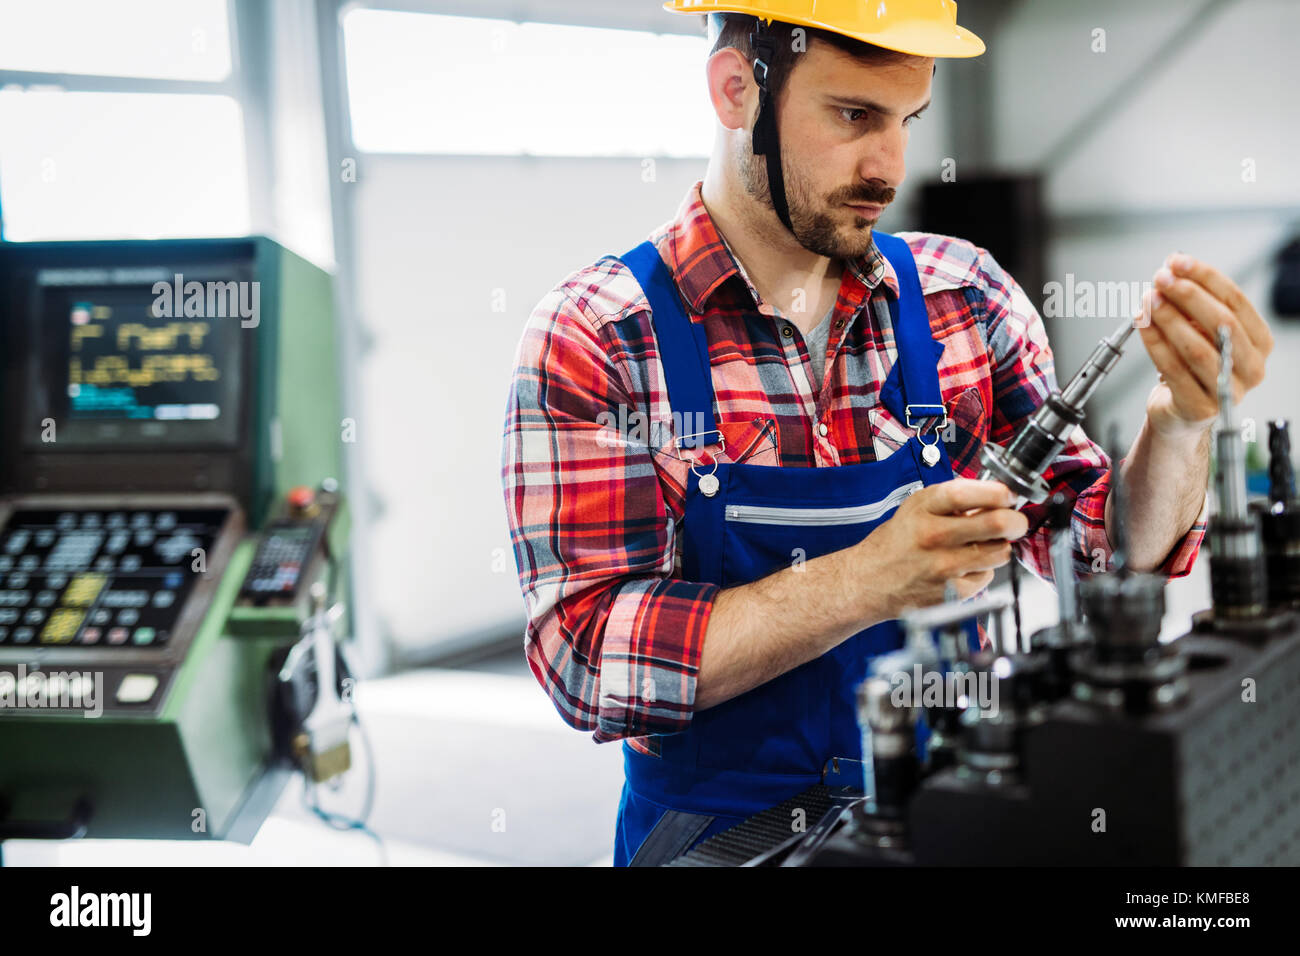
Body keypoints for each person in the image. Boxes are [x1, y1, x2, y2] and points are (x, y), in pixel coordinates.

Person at [499, 0, 1273, 866]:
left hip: (958, 806)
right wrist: (866, 580)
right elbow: (588, 662)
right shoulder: (599, 335)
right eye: (853, 115)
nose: (890, 165)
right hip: (719, 838)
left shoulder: (961, 297)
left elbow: (1100, 550)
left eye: (907, 119)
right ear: (734, 91)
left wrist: (1183, 420)